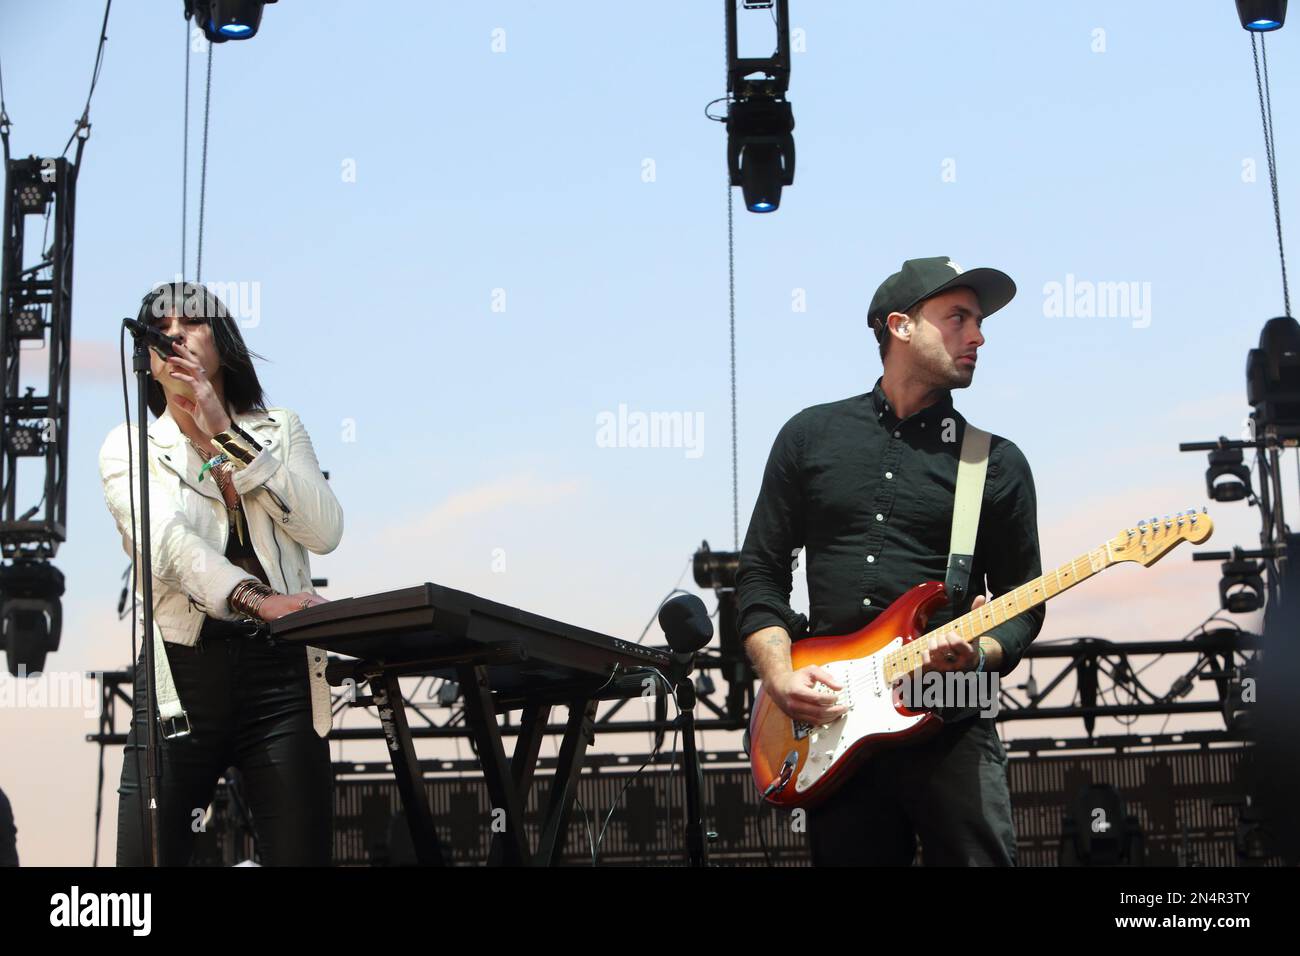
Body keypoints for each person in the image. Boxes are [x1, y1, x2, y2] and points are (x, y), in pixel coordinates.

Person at [738, 256, 1045, 866]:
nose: (977, 336)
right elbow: (761, 573)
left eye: (979, 322)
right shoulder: (809, 436)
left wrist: (980, 651)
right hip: (834, 721)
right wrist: (777, 675)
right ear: (900, 326)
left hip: (953, 712)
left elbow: (1024, 601)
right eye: (957, 318)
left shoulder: (997, 463)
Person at [99, 281, 343, 866]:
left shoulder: (279, 429)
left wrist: (226, 433)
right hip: (181, 678)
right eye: (162, 330)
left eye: (192, 323)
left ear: (224, 340)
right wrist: (256, 598)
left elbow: (325, 530)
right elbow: (167, 544)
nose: (176, 335)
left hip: (281, 674)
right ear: (148, 359)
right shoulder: (129, 447)